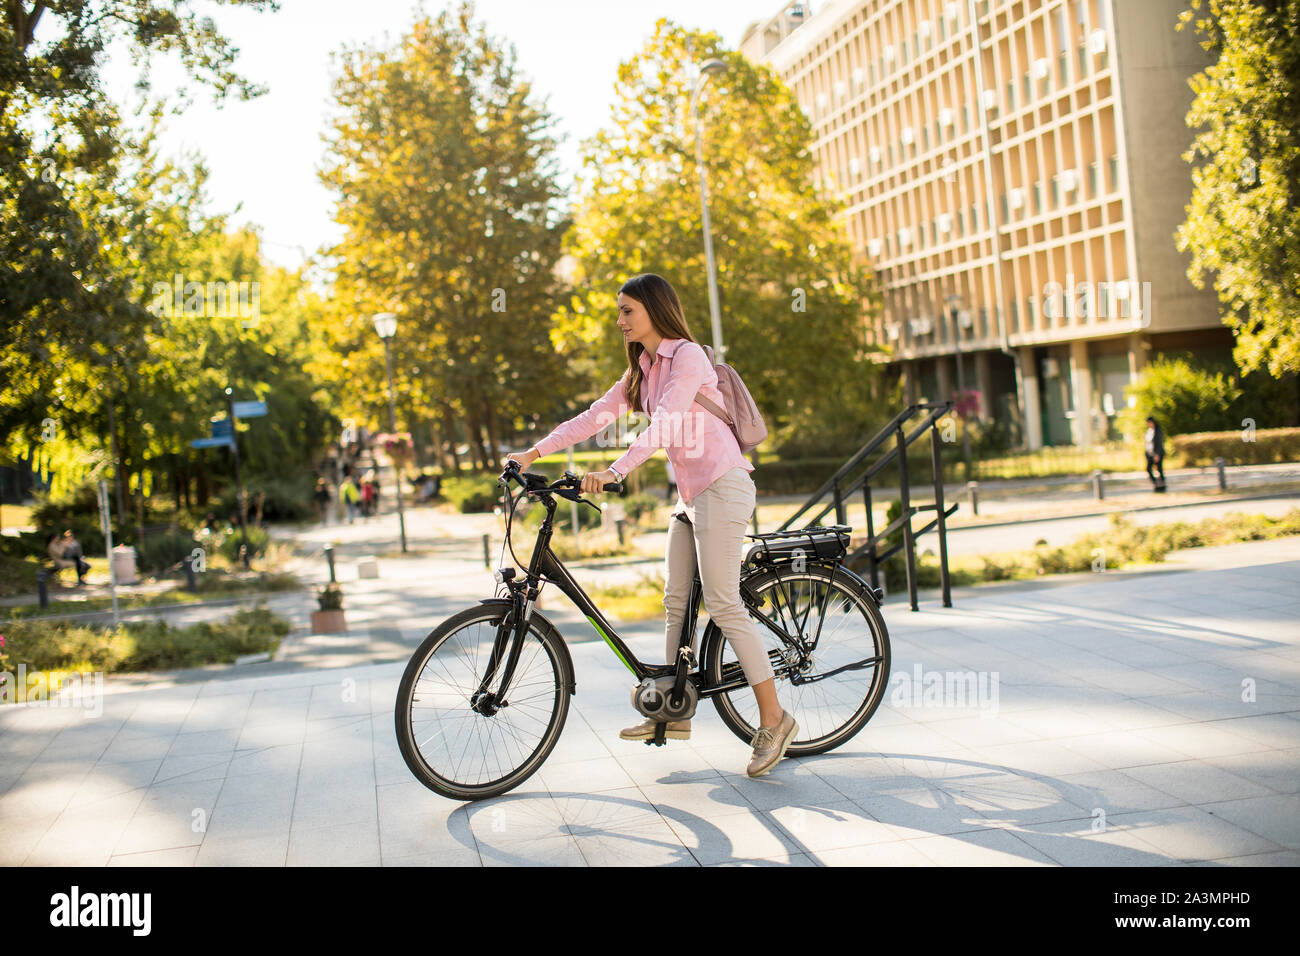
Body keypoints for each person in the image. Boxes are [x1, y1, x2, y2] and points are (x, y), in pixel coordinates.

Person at [506, 273, 796, 778]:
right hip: (692, 495)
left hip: (723, 485)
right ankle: (670, 711)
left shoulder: (688, 358)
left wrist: (616, 471)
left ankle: (774, 719)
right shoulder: (642, 367)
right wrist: (532, 452)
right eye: (618, 312)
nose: (619, 320)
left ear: (654, 310)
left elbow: (664, 425)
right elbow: (596, 416)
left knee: (724, 601)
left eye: (627, 311)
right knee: (675, 600)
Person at [1144, 415, 1167, 492]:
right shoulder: (1149, 431)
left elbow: (1159, 443)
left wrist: (1157, 454)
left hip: (1157, 454)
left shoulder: (1157, 431)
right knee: (1148, 469)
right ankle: (1156, 483)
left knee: (1159, 469)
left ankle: (1162, 485)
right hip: (1150, 454)